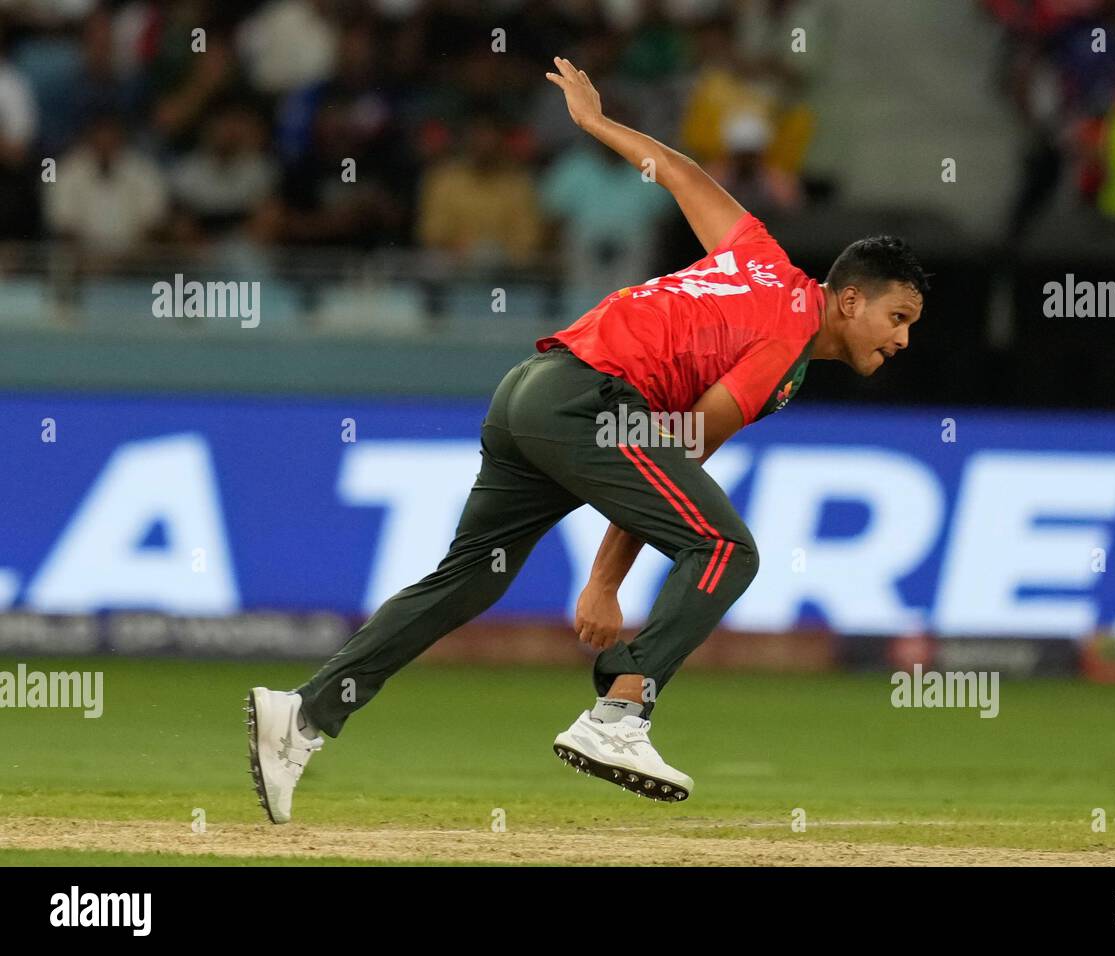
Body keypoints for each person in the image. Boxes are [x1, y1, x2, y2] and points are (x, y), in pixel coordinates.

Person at [247, 57, 927, 823]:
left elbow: (673, 170)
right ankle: (620, 714)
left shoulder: (760, 257)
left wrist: (596, 122)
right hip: (586, 403)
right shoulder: (787, 345)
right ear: (847, 299)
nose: (901, 341)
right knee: (729, 550)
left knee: (467, 579)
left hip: (529, 392)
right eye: (896, 319)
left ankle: (303, 715)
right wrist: (604, 582)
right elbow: (676, 449)